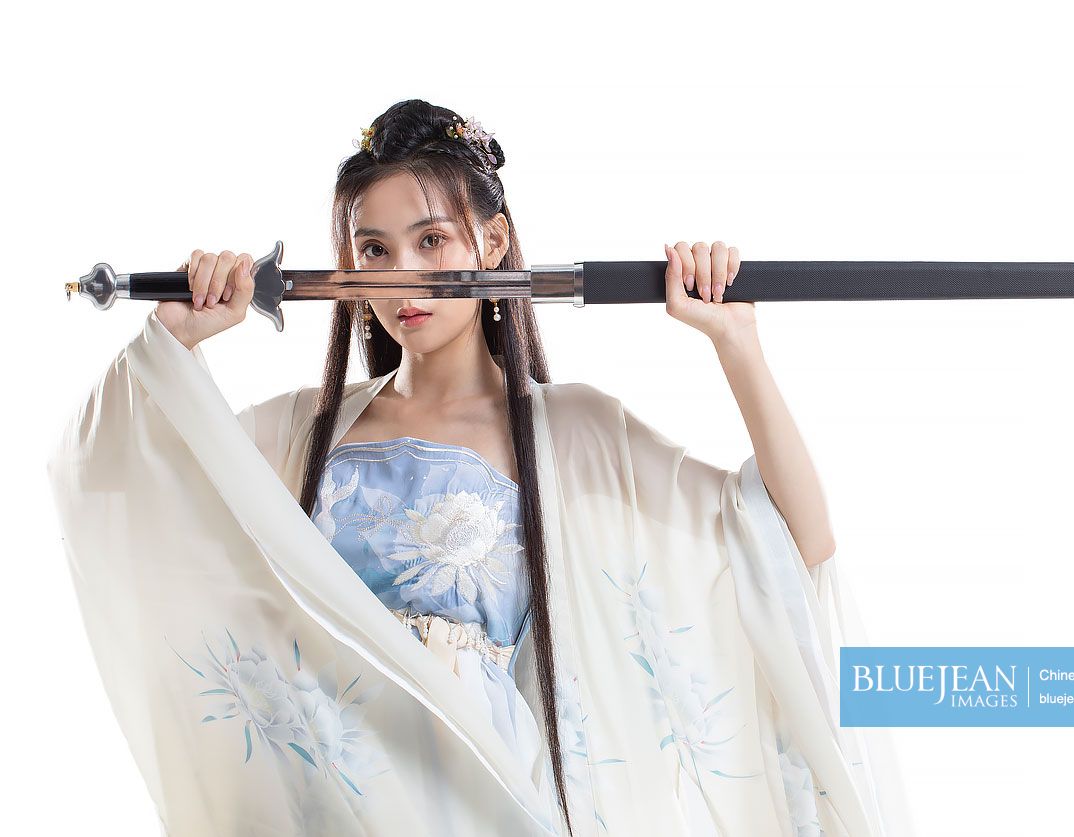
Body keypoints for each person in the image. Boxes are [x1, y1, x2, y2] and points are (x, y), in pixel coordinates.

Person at [46, 98, 915, 836]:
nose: (404, 279)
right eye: (375, 251)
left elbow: (794, 539)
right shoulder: (305, 432)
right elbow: (122, 491)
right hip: (323, 788)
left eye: (431, 240)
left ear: (492, 242)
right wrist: (177, 344)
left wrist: (736, 344)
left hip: (473, 786)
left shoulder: (569, 431)